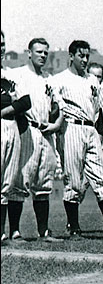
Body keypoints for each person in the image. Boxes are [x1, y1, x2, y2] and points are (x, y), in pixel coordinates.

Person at [50, 40, 103, 239]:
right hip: (71, 127)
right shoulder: (59, 79)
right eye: (81, 55)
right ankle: (73, 227)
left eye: (87, 56)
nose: (84, 59)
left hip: (90, 128)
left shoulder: (92, 80)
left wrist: (99, 133)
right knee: (73, 180)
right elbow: (54, 108)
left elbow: (99, 111)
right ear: (71, 56)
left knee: (102, 178)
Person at [4, 38, 64, 242]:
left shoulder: (49, 78)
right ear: (29, 53)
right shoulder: (17, 74)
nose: (42, 55)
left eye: (45, 52)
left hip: (46, 131)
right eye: (38, 52)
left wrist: (56, 125)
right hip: (27, 129)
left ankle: (44, 231)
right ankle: (14, 231)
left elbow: (60, 107)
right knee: (20, 180)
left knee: (44, 181)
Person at [1, 31, 31, 243]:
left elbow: (26, 102)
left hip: (11, 127)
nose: (1, 48)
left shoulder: (11, 74)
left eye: (2, 44)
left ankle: (2, 232)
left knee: (7, 183)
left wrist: (5, 109)